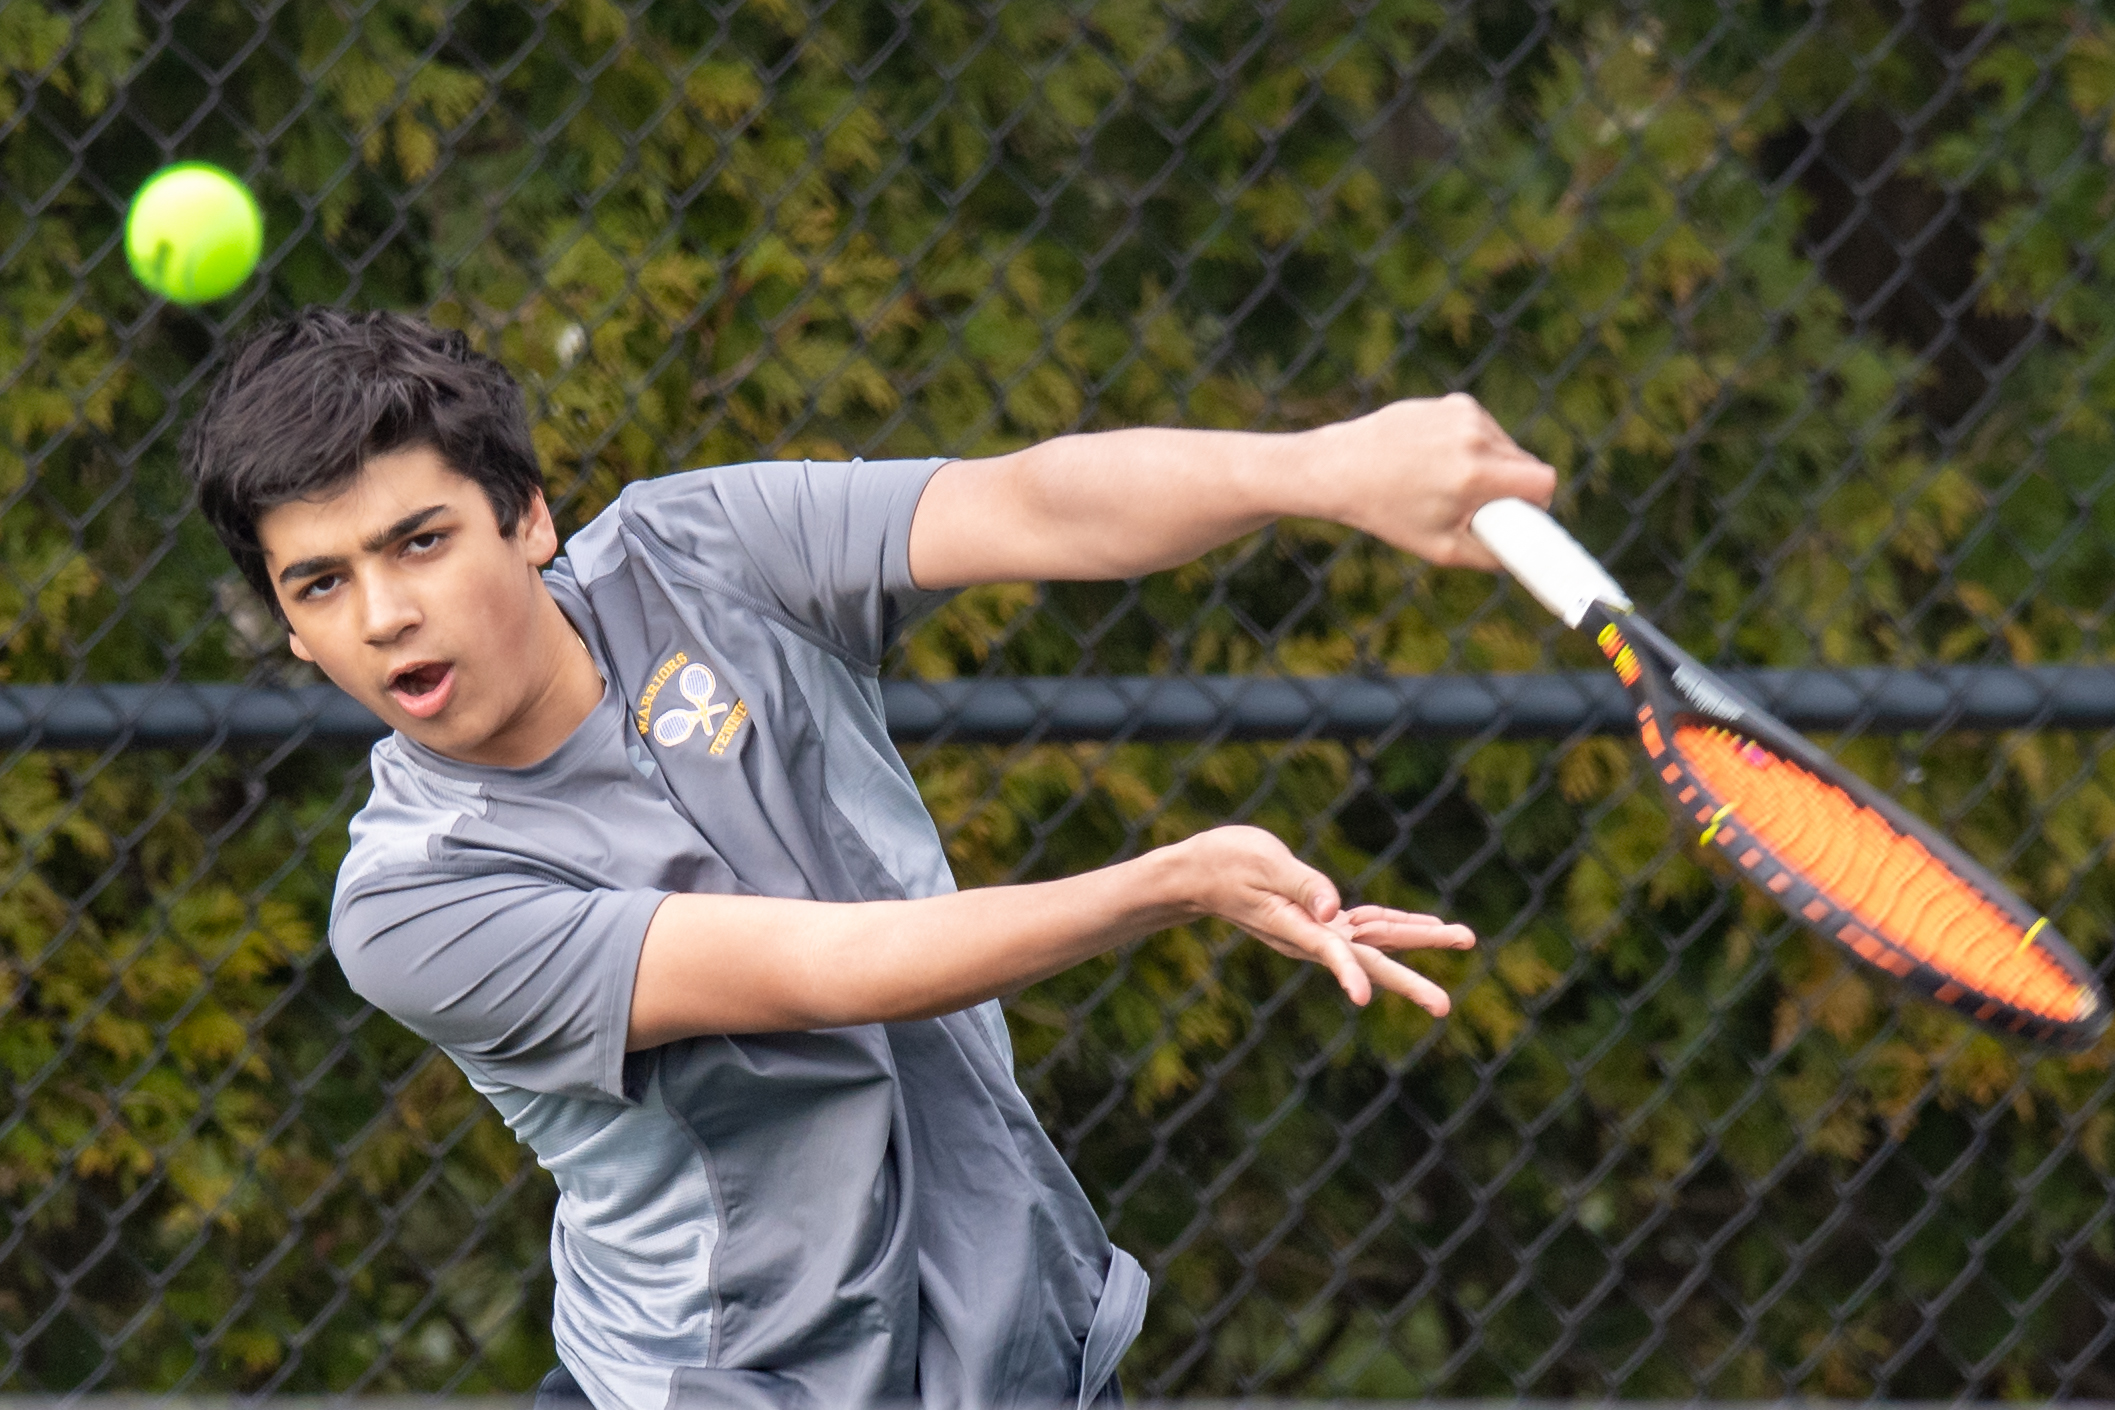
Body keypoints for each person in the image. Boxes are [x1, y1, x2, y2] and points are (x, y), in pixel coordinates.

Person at [179, 308, 1557, 1410]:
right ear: (293, 631)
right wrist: (1167, 881)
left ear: (528, 518)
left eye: (420, 540)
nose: (387, 613)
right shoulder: (413, 898)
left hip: (1020, 1327)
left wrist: (1322, 468)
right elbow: (822, 969)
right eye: (322, 583)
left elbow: (1034, 503)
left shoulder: (697, 552)